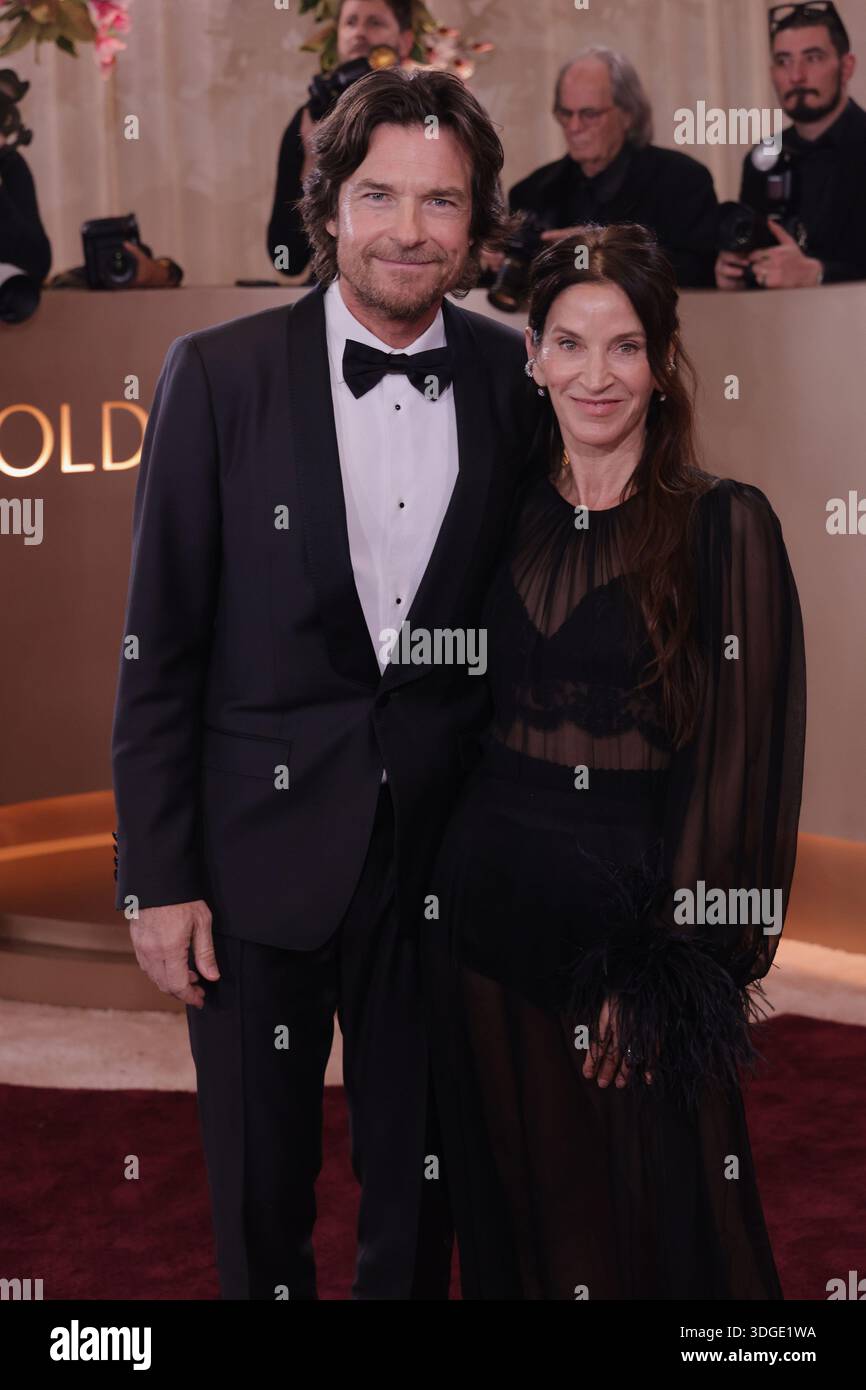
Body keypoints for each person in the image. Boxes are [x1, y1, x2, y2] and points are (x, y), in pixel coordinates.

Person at [111, 65, 542, 1300]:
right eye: (379, 196)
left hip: (439, 859)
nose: (410, 230)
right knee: (258, 1189)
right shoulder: (218, 372)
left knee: (421, 1189)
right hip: (251, 860)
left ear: (476, 222)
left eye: (442, 203)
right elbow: (159, 646)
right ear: (329, 207)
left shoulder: (516, 379)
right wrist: (161, 873)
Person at [422, 222, 807, 1300]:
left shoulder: (722, 525)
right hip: (483, 920)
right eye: (569, 344)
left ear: (660, 362)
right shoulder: (498, 514)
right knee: (524, 1216)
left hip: (630, 935)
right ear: (533, 357)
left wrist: (666, 969)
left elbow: (741, 759)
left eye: (625, 346)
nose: (597, 375)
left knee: (665, 1225)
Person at [501, 48, 718, 289]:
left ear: (628, 114)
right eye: (565, 113)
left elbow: (700, 276)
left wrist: (600, 253)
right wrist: (494, 263)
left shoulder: (682, 181)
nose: (573, 126)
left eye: (589, 114)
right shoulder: (532, 192)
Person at [717, 1, 866, 290]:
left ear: (846, 67)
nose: (796, 76)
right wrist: (735, 272)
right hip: (777, 326)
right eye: (784, 61)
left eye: (813, 58)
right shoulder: (763, 158)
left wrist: (818, 274)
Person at [266, 0, 415, 281]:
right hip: (329, 293)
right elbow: (286, 258)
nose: (359, 32)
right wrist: (313, 158)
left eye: (375, 23)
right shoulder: (310, 118)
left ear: (405, 41)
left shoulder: (433, 115)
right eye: (350, 22)